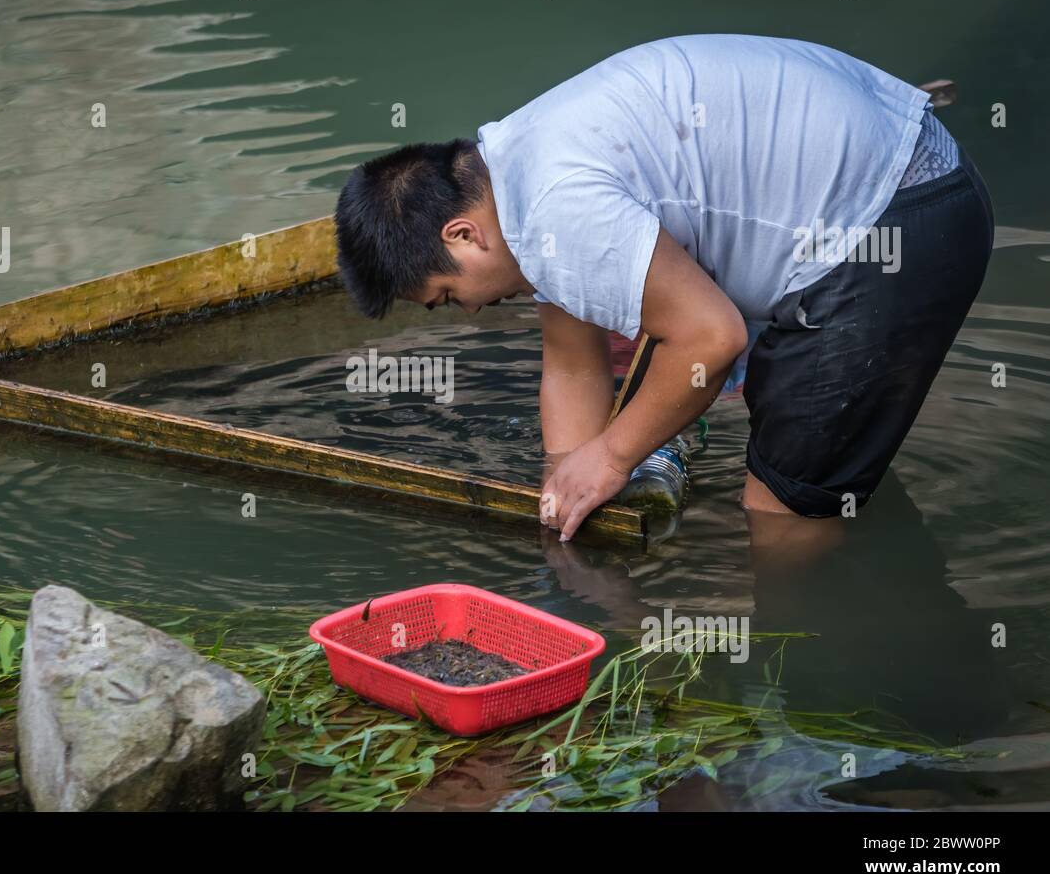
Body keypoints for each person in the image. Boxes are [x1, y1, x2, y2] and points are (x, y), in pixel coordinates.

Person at [332, 35, 995, 540]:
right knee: (808, 450)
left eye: (450, 297)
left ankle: (801, 664)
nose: (471, 310)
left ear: (462, 235)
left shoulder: (557, 206)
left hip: (891, 217)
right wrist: (564, 490)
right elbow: (572, 366)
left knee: (779, 509)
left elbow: (712, 338)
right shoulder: (517, 167)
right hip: (903, 175)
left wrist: (612, 458)